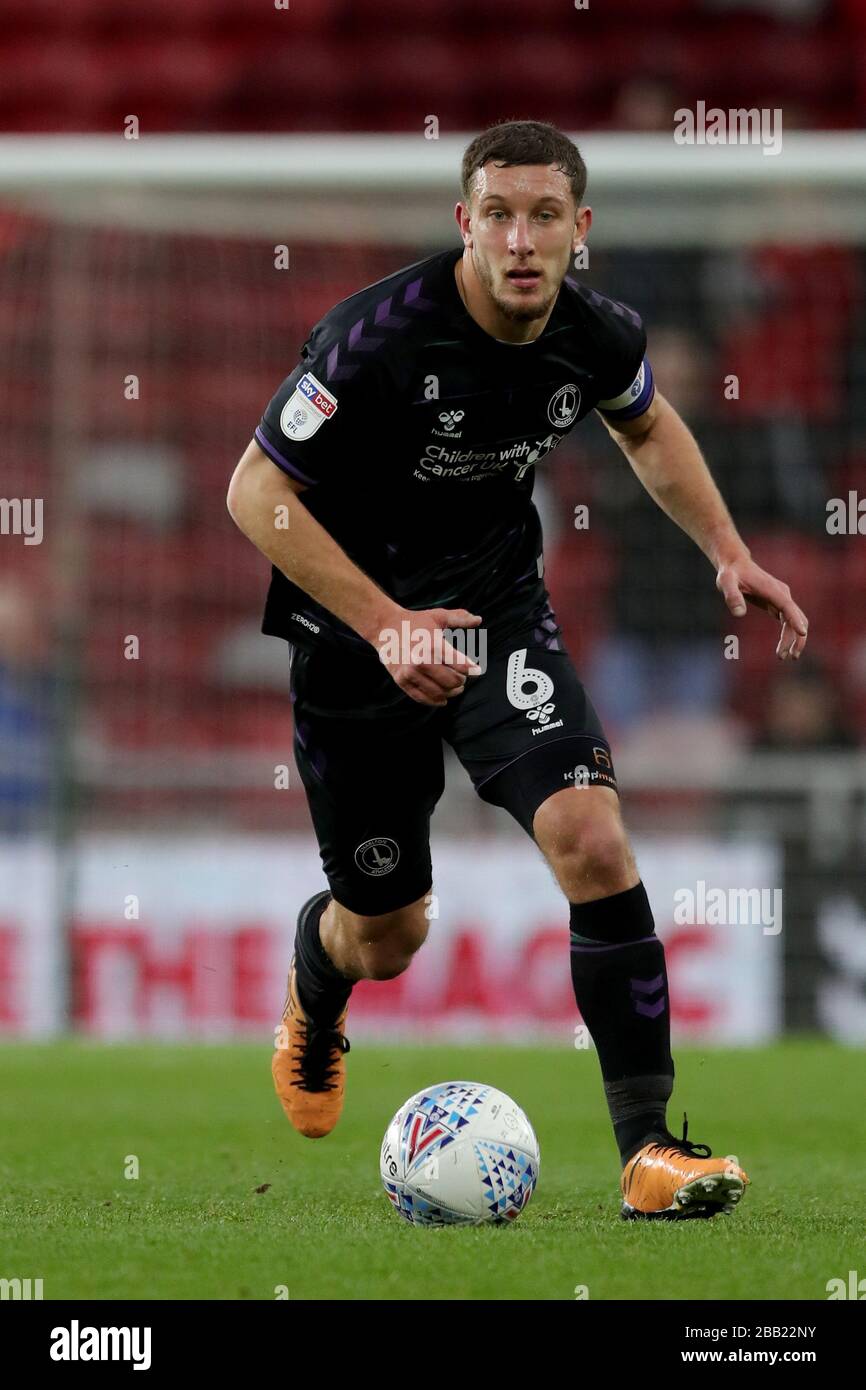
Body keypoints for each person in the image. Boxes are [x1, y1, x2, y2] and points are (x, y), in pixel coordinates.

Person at [227, 120, 808, 1221]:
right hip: (355, 636)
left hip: (495, 617)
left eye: (544, 215)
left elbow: (645, 428)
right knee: (388, 933)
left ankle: (646, 1155)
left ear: (578, 230)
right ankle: (318, 981)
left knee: (590, 837)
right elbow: (254, 494)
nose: (521, 238)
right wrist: (387, 623)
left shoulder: (593, 332)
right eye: (497, 213)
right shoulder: (377, 338)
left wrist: (728, 551)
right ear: (465, 225)